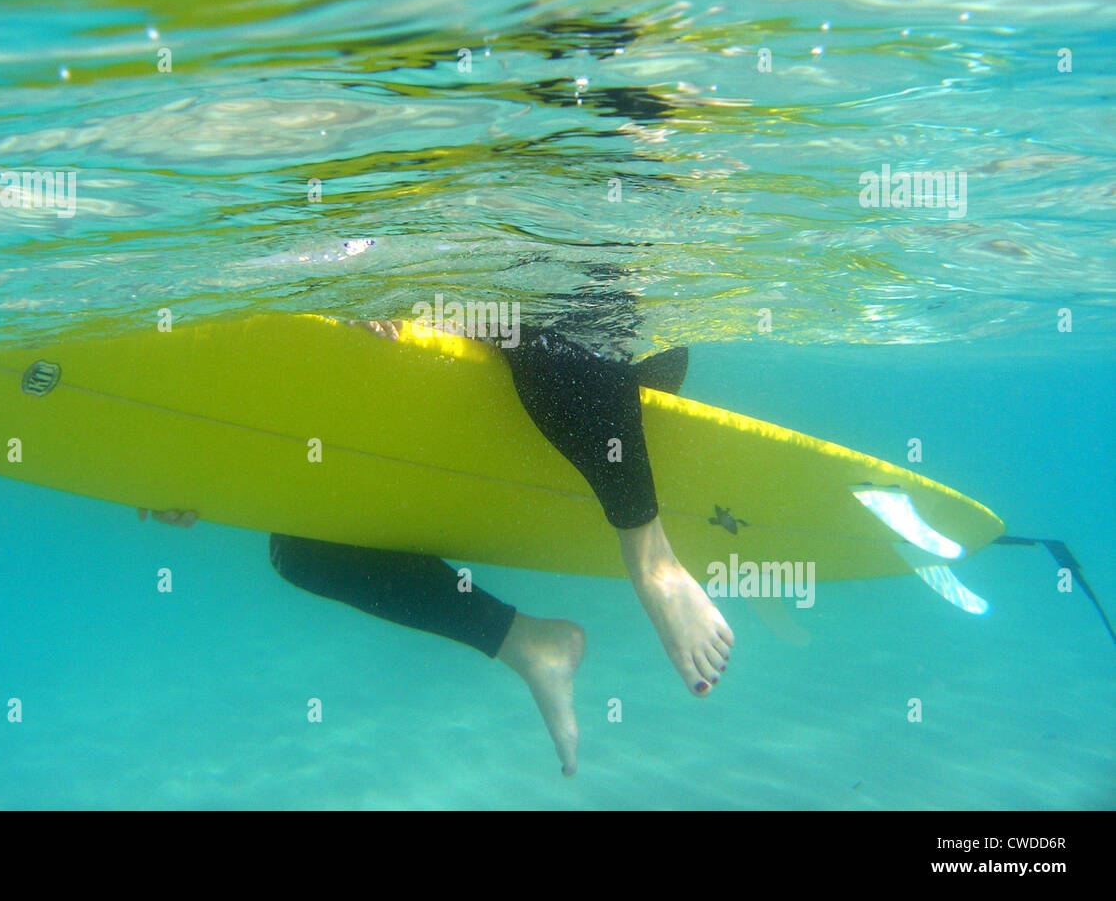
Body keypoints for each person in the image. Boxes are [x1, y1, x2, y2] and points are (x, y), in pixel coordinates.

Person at [143, 315, 734, 777]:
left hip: (588, 356)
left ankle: (654, 563)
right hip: (464, 389)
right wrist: (201, 473)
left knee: (520, 325)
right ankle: (527, 642)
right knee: (299, 548)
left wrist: (421, 310)